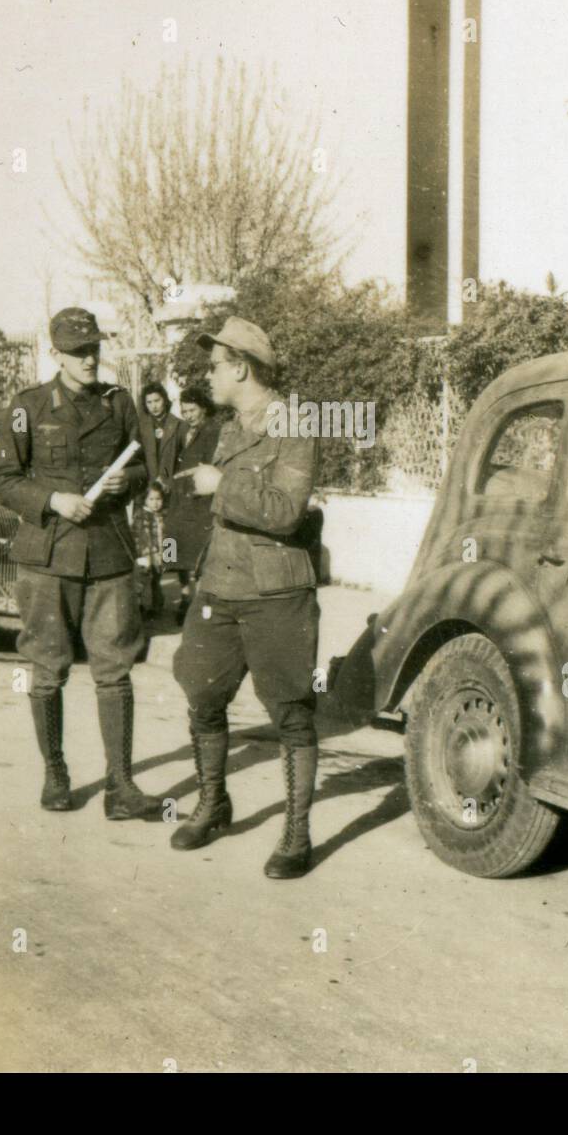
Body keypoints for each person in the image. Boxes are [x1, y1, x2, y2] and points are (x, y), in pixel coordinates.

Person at [0, 306, 161, 820]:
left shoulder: (119, 402)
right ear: (56, 353)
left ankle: (121, 786)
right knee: (48, 671)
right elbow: (2, 479)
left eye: (94, 349)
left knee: (114, 670)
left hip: (108, 551)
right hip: (48, 555)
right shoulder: (29, 406)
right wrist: (54, 501)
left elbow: (144, 468)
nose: (89, 359)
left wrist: (124, 483)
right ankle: (55, 772)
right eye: (77, 351)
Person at [171, 318, 320, 879]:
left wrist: (221, 486)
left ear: (239, 366)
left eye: (213, 365)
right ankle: (214, 804)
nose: (206, 375)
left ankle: (296, 833)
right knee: (201, 691)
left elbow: (285, 510)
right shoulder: (231, 425)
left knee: (289, 710)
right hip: (220, 584)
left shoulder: (295, 422)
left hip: (276, 589)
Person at [161, 384, 220, 625]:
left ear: (204, 408)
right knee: (172, 546)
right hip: (180, 500)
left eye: (192, 410)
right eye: (184, 411)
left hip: (200, 502)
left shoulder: (213, 431)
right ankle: (184, 594)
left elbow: (212, 468)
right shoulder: (183, 430)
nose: (188, 415)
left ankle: (199, 604)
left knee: (197, 554)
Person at [138, 382, 184, 498]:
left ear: (164, 400)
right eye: (149, 402)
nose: (154, 406)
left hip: (171, 487)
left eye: (157, 400)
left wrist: (168, 480)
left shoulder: (179, 425)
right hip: (148, 489)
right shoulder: (141, 427)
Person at [134, 483, 167, 619]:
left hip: (159, 555)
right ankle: (139, 606)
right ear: (145, 500)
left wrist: (169, 558)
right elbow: (137, 535)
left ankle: (156, 606)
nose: (155, 503)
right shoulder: (140, 515)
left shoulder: (164, 515)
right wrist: (139, 554)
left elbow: (169, 536)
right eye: (151, 499)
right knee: (141, 581)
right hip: (145, 554)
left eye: (158, 499)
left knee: (156, 581)